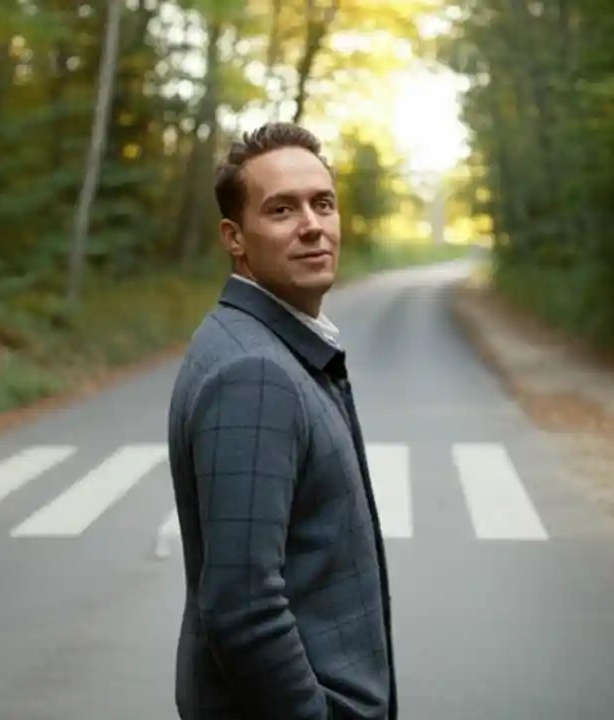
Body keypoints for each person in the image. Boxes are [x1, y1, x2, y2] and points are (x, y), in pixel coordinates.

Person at [166, 121, 397, 720]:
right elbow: (243, 607)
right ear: (235, 237)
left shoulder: (271, 344)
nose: (312, 225)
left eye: (323, 204)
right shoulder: (254, 372)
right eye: (281, 210)